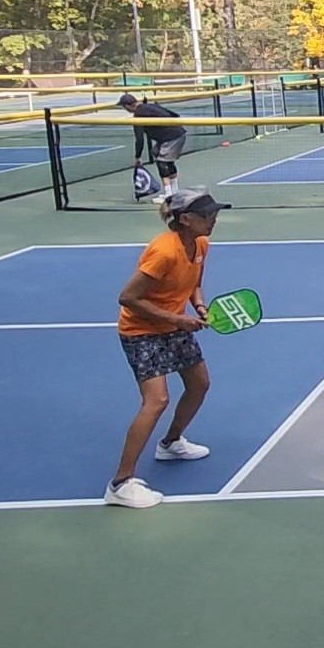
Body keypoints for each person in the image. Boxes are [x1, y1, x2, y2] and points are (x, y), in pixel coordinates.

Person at [106, 188, 232, 509]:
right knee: (157, 400)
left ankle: (171, 443)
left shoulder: (200, 244)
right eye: (207, 215)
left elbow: (195, 284)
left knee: (199, 384)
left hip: (173, 326)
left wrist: (200, 308)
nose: (213, 220)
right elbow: (128, 297)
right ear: (185, 219)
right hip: (141, 331)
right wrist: (178, 319)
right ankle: (120, 483)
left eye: (214, 214)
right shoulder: (163, 252)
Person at [119, 92, 187, 204]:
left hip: (171, 137)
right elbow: (175, 115)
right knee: (157, 153)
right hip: (178, 133)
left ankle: (169, 194)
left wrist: (137, 156)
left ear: (126, 106)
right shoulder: (150, 106)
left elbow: (139, 138)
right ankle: (174, 192)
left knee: (162, 163)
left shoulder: (138, 116)